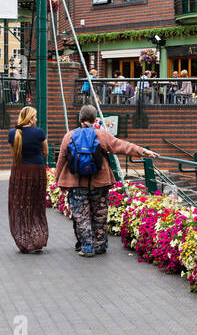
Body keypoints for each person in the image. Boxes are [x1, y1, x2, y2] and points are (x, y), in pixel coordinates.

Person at [55, 105, 156, 257]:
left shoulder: (69, 136)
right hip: (100, 182)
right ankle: (100, 245)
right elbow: (122, 146)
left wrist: (59, 181)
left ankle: (87, 247)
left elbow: (61, 161)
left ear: (80, 119)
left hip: (76, 183)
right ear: (95, 119)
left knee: (81, 216)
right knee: (100, 214)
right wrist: (142, 151)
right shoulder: (102, 135)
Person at [7, 106, 49, 253]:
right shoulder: (38, 132)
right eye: (35, 117)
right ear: (31, 119)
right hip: (37, 171)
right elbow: (45, 152)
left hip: (19, 172)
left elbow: (15, 152)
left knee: (20, 205)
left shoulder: (13, 133)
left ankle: (24, 238)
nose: (36, 119)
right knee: (36, 205)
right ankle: (38, 237)